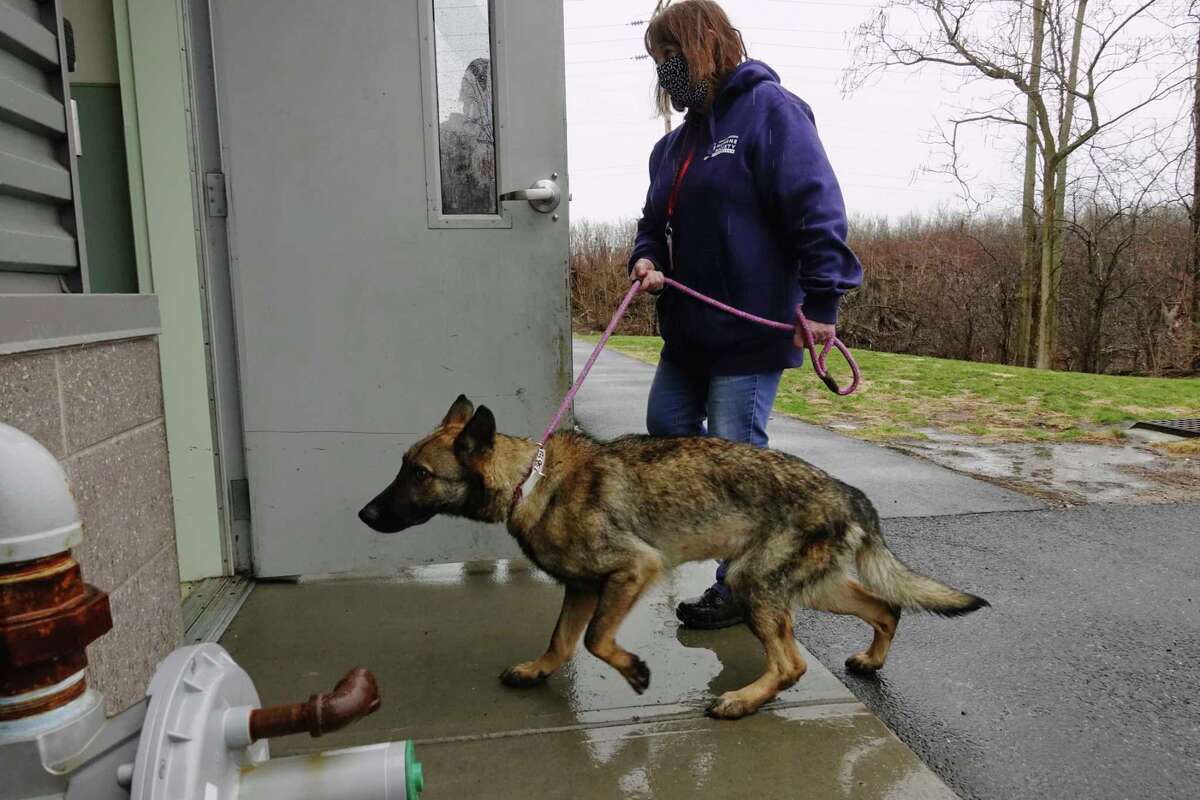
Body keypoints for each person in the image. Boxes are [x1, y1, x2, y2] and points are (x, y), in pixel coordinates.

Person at [628, 0, 863, 629]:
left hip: (752, 330)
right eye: (657, 65)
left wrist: (822, 303)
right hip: (688, 330)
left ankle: (740, 584)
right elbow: (652, 225)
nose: (665, 76)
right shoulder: (673, 147)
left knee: (734, 452)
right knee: (668, 425)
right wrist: (646, 260)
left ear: (705, 46)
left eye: (670, 59)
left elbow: (817, 208)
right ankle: (731, 526)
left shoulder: (770, 112)